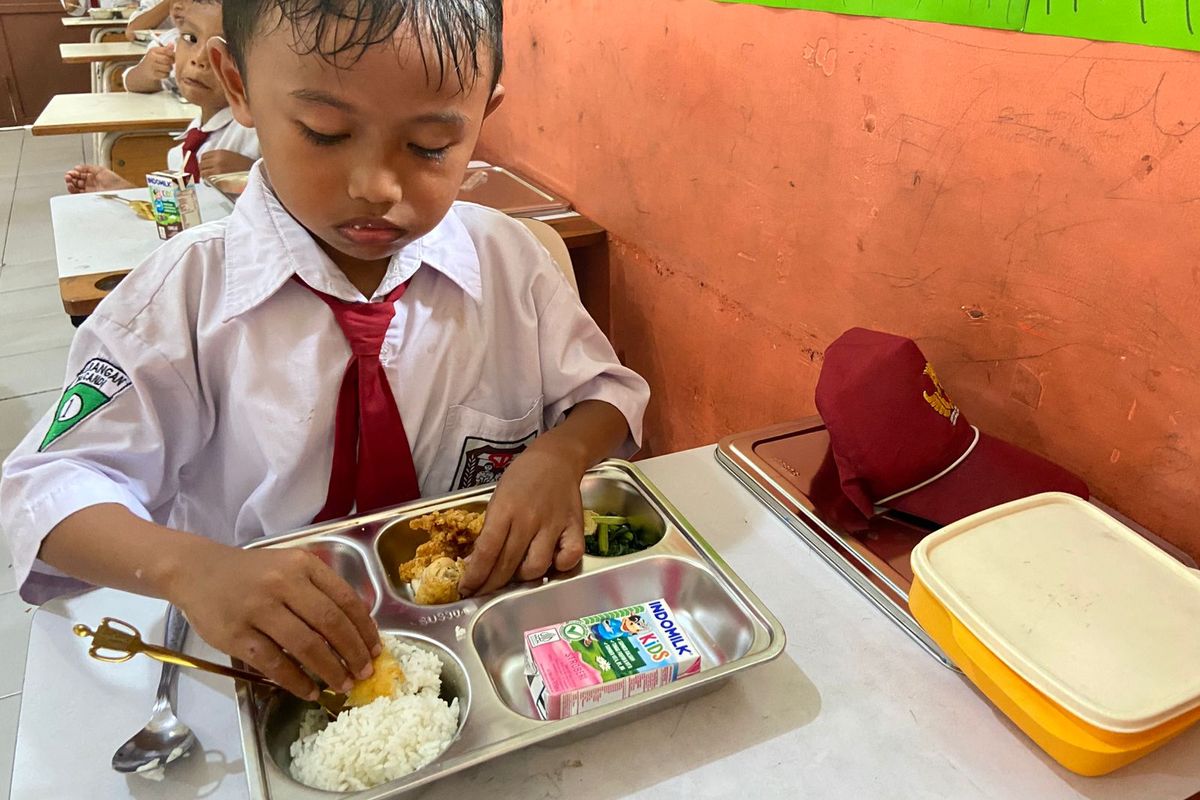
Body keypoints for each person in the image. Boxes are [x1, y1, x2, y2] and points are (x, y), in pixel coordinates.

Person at [4, 0, 649, 701]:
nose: (376, 186)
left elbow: (607, 394)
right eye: (325, 132)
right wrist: (187, 569)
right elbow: (41, 491)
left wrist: (561, 454)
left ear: (482, 115)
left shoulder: (508, 262)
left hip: (479, 637)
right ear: (238, 84)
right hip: (258, 661)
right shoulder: (182, 297)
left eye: (432, 145)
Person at [64, 0, 259, 194]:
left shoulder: (257, 135)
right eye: (190, 38)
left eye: (227, 50)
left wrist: (254, 176)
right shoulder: (196, 134)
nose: (199, 59)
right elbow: (190, 214)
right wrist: (129, 192)